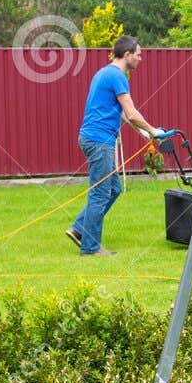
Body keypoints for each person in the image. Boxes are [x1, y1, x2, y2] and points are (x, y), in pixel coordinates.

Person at [69, 36, 160, 256]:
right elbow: (131, 112)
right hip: (99, 141)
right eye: (138, 54)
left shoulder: (104, 73)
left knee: (114, 189)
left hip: (94, 138)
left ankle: (80, 228)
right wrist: (154, 130)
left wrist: (144, 132)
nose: (140, 58)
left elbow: (123, 116)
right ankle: (90, 248)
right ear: (127, 55)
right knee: (100, 193)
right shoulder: (117, 76)